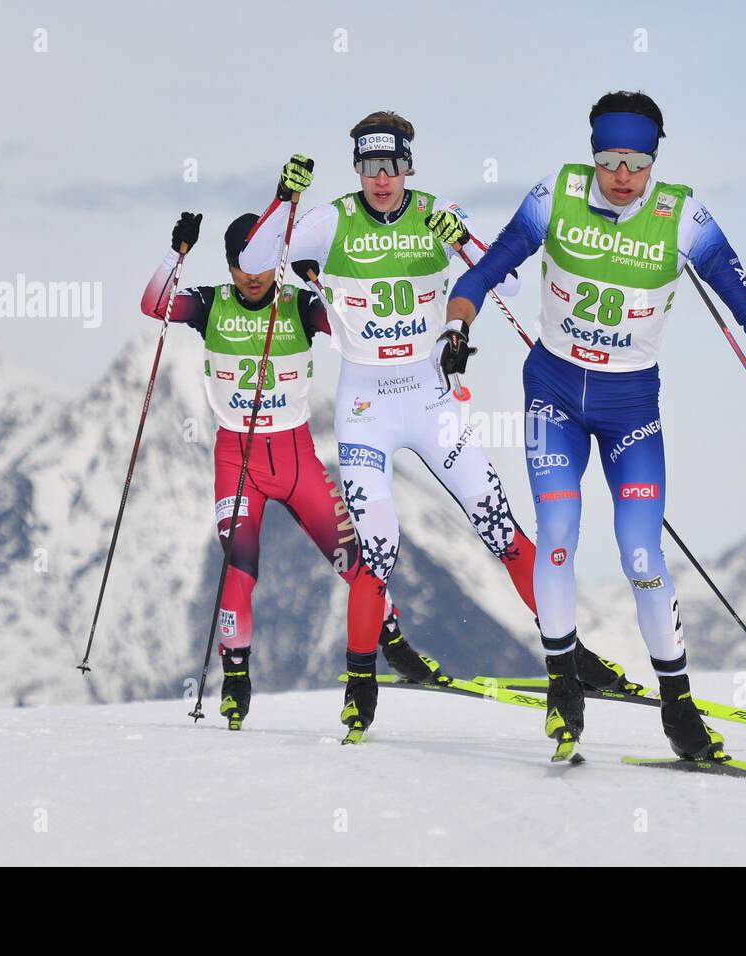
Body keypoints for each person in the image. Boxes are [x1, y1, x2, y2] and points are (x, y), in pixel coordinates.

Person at [241, 113, 634, 738]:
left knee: (499, 526)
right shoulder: (333, 218)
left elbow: (497, 272)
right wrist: (285, 200)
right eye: (370, 167)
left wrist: (464, 241)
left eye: (392, 166)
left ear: (409, 166)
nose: (381, 180)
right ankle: (361, 683)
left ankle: (571, 654)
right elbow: (253, 255)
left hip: (430, 402)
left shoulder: (434, 212)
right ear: (358, 170)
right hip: (365, 408)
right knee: (379, 549)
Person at [445, 90, 746, 759]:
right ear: (592, 155)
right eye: (610, 159)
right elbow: (483, 274)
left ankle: (678, 708)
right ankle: (563, 690)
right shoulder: (553, 196)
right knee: (556, 536)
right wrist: (455, 329)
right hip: (553, 394)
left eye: (636, 163)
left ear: (654, 161)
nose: (622, 175)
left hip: (631, 410)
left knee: (641, 555)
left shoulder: (683, 217)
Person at [139, 198, 443, 732]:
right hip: (238, 461)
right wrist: (174, 255)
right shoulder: (210, 304)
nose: (253, 276)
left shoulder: (298, 305)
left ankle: (391, 641)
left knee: (358, 561)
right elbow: (154, 306)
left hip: (298, 456)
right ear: (229, 265)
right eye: (242, 265)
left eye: (262, 264)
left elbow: (356, 330)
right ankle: (236, 681)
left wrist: (322, 281)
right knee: (240, 568)